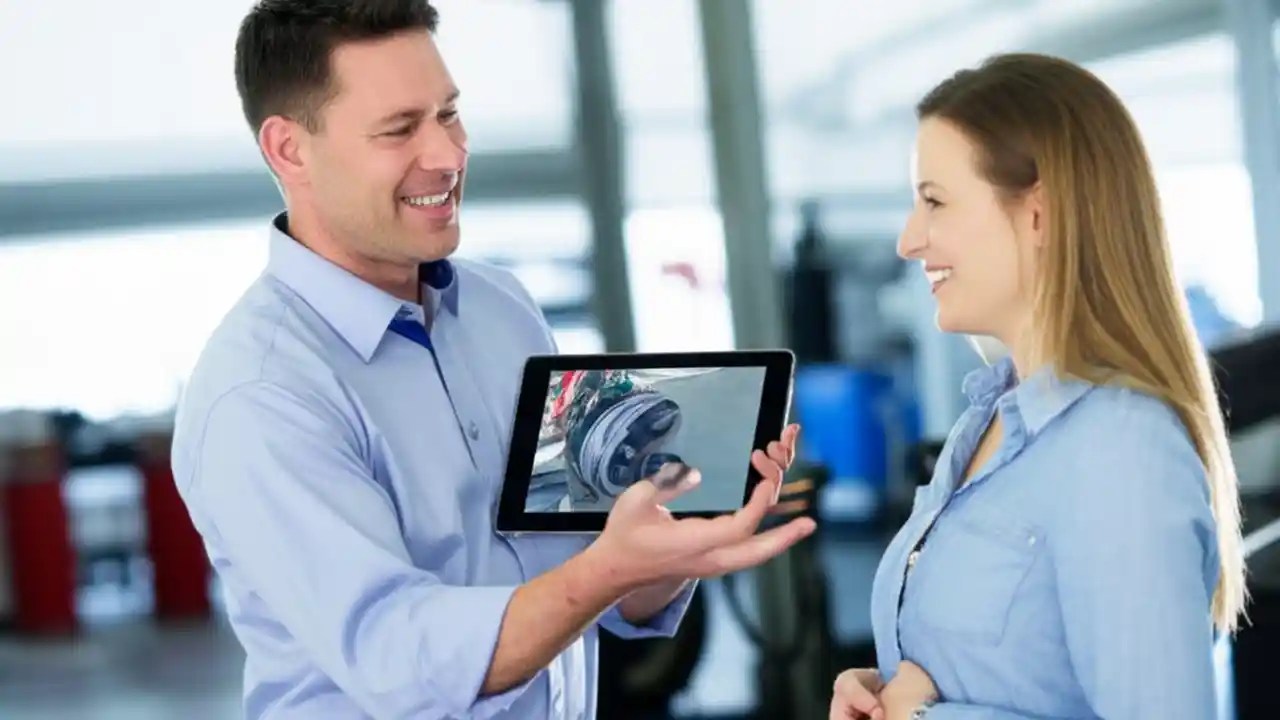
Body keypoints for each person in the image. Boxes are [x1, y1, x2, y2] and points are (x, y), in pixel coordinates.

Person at [169, 2, 816, 718]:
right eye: (399, 129)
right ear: (289, 150)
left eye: (448, 113)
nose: (447, 154)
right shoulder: (261, 395)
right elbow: (400, 658)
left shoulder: (500, 309)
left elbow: (578, 578)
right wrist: (607, 568)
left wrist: (668, 548)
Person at [829, 53, 1246, 720]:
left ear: (1039, 216)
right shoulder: (988, 421)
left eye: (934, 200)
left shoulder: (1120, 448)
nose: (910, 241)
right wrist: (883, 693)